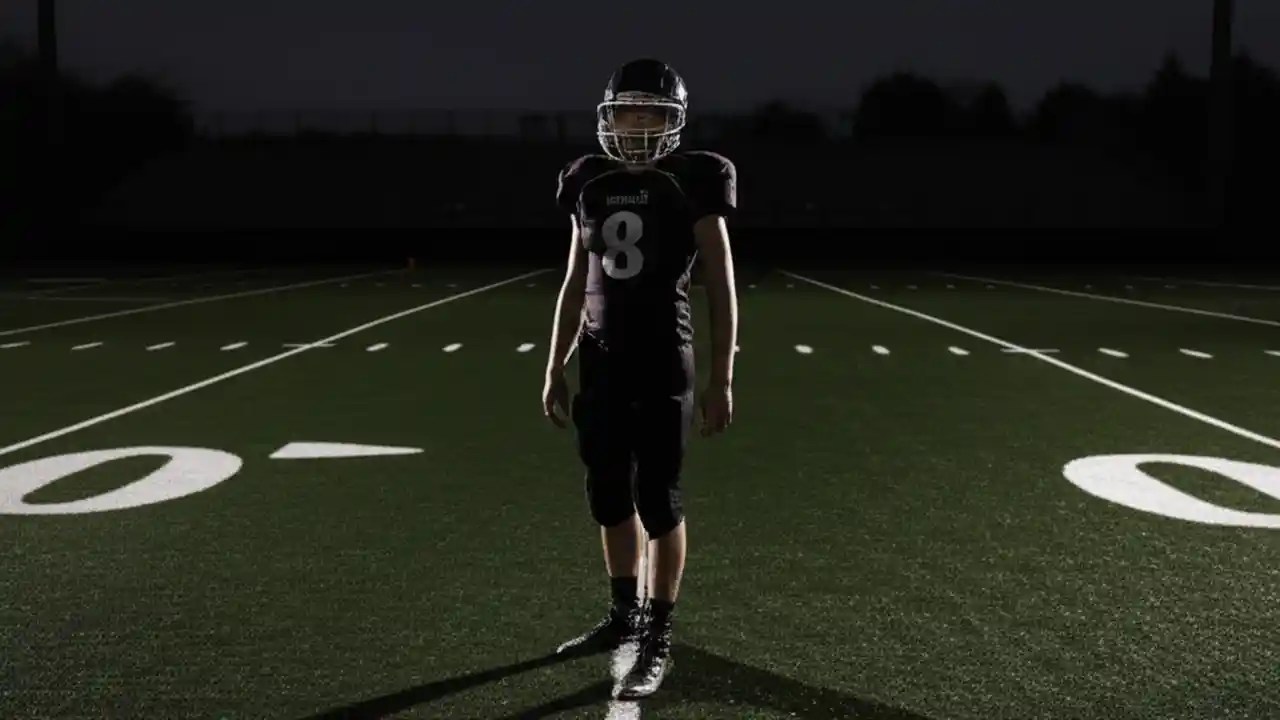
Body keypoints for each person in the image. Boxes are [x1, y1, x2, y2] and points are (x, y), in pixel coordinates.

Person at [541, 57, 739, 700]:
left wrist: (721, 379)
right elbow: (575, 282)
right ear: (610, 116)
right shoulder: (587, 181)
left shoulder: (692, 179)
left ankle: (658, 632)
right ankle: (622, 612)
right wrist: (554, 364)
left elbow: (722, 286)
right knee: (607, 492)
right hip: (601, 360)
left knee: (659, 499)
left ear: (674, 119)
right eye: (629, 111)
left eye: (653, 111)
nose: (640, 123)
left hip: (663, 360)